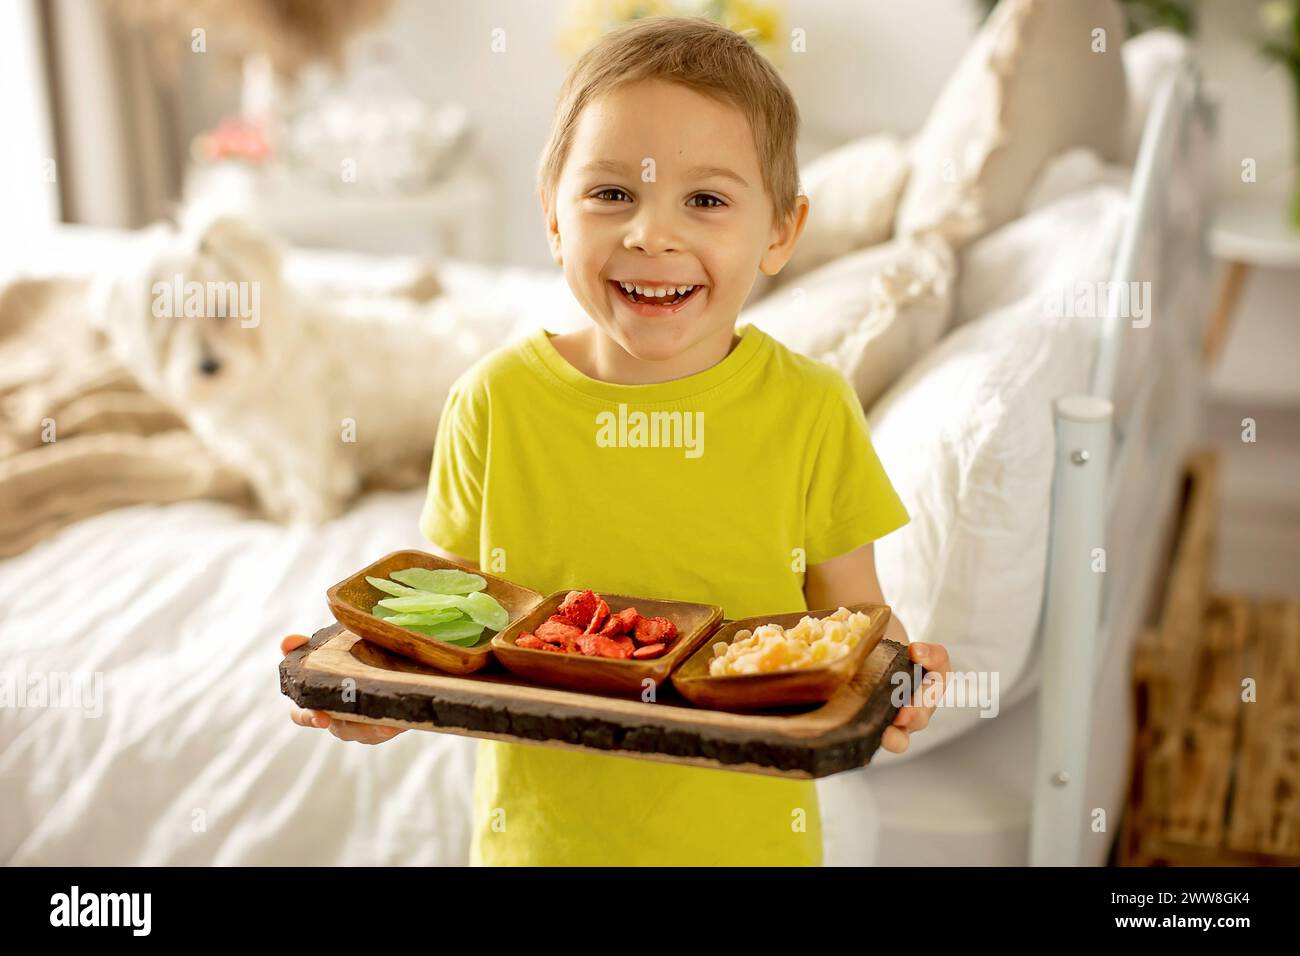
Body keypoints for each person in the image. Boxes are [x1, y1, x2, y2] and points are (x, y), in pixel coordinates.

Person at [284, 15, 950, 866]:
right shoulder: (493, 402)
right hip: (539, 844)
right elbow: (455, 635)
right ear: (553, 216)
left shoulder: (812, 409)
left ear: (781, 231)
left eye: (705, 200)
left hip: (748, 847)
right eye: (611, 194)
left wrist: (900, 679)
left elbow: (856, 624)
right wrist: (375, 701)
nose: (651, 235)